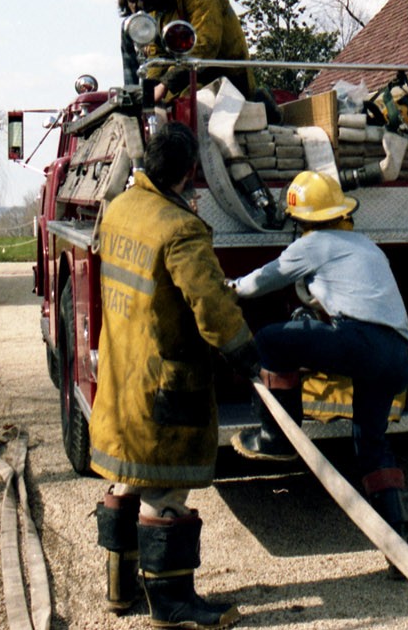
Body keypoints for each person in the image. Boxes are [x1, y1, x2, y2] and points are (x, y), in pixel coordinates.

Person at [88, 121, 260, 630]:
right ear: (188, 173)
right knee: (164, 491)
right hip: (164, 381)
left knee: (124, 474)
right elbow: (209, 302)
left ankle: (120, 589)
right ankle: (172, 605)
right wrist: (243, 352)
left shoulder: (120, 209)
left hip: (122, 374)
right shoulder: (179, 228)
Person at [228, 170, 408, 551]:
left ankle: (277, 437)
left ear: (304, 220)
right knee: (371, 442)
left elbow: (260, 283)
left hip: (359, 341)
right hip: (398, 353)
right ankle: (398, 534)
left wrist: (227, 289)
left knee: (270, 340)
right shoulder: (366, 245)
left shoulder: (312, 245)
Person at [118, 0, 251, 102]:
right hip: (185, 79)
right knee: (163, 106)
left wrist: (164, 85)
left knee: (186, 104)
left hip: (229, 82)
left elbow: (204, 48)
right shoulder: (158, 7)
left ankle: (264, 103)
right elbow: (157, 56)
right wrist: (150, 89)